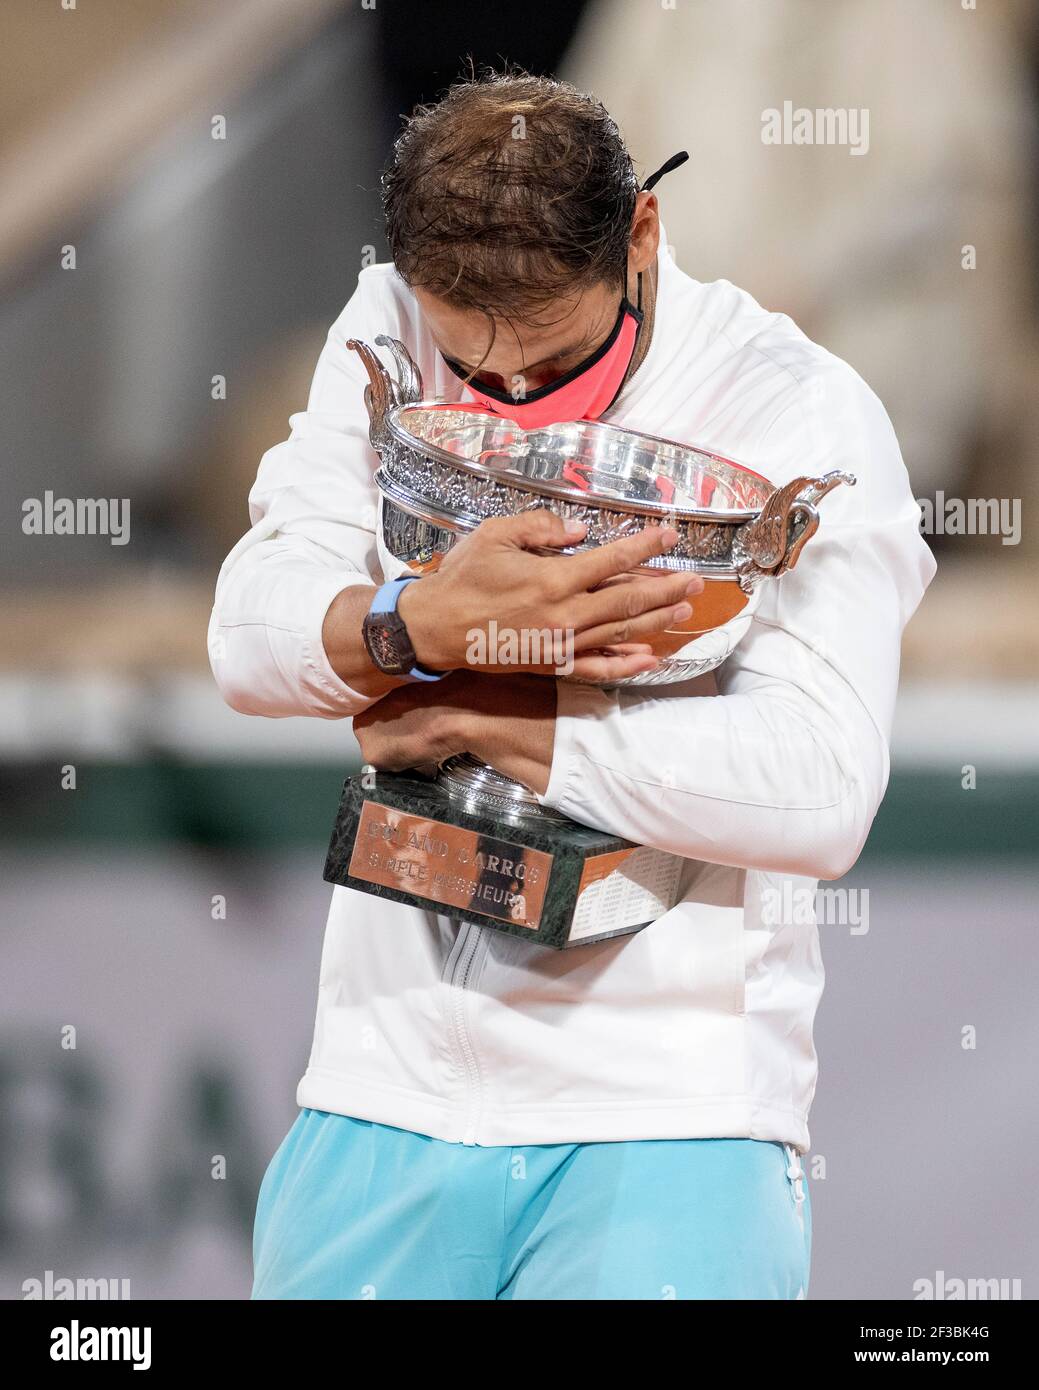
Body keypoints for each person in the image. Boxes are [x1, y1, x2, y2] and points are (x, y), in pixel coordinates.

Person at [208, 71, 935, 1300]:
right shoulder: (384, 323)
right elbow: (248, 633)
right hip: (378, 1092)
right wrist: (426, 618)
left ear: (641, 236)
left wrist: (508, 712)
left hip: (669, 1115)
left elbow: (820, 788)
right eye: (472, 371)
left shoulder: (798, 406)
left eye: (548, 363)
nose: (507, 404)